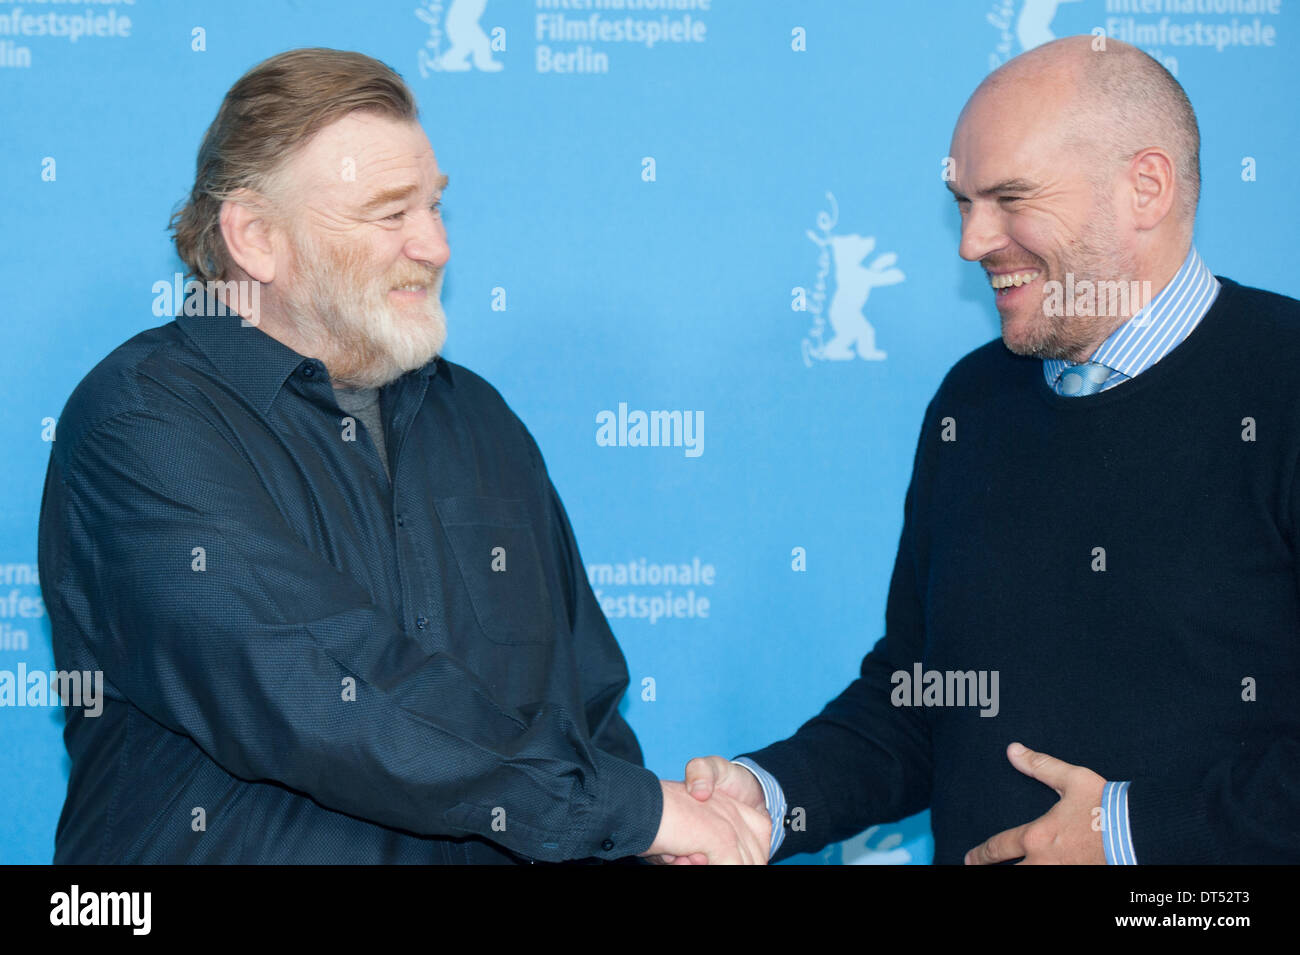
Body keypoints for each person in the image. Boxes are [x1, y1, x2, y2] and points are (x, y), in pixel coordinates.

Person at [37, 47, 768, 865]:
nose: (436, 245)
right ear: (255, 237)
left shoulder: (480, 422)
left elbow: (586, 711)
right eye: (391, 214)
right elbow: (313, 683)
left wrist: (641, 842)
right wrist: (626, 809)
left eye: (435, 205)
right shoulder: (141, 422)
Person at [677, 35, 1300, 865]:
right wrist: (769, 796)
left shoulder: (1284, 382)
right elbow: (921, 703)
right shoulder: (974, 401)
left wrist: (1132, 833)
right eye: (963, 201)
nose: (971, 242)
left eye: (1009, 198)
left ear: (1144, 187)